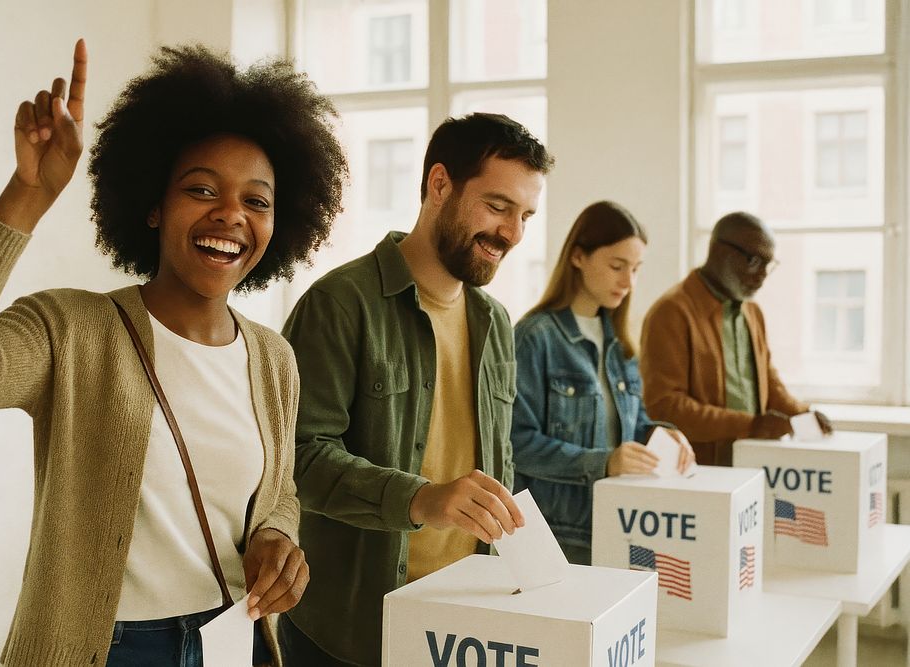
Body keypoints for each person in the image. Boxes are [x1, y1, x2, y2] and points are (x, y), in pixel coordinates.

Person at [0, 40, 348, 667]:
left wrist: (278, 536)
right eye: (201, 190)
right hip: (107, 648)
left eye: (256, 200)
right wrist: (26, 195)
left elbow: (277, 490)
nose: (231, 214)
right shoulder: (73, 329)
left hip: (233, 637)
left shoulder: (273, 358)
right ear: (153, 204)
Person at [278, 112, 554, 666]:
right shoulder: (339, 303)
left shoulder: (497, 322)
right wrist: (422, 499)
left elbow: (498, 461)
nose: (512, 233)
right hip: (352, 630)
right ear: (439, 184)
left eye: (525, 215)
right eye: (497, 206)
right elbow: (298, 459)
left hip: (461, 623)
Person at [511, 201, 694, 565]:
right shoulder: (535, 337)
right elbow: (516, 443)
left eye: (636, 269)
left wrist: (664, 434)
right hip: (557, 536)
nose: (628, 282)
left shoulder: (621, 344)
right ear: (578, 257)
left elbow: (632, 426)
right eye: (617, 266)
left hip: (618, 527)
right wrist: (603, 462)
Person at [640, 211, 832, 466]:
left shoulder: (751, 312)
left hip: (753, 464)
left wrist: (802, 414)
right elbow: (666, 408)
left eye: (768, 264)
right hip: (699, 470)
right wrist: (751, 425)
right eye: (754, 260)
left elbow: (768, 382)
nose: (762, 274)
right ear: (718, 251)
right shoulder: (671, 312)